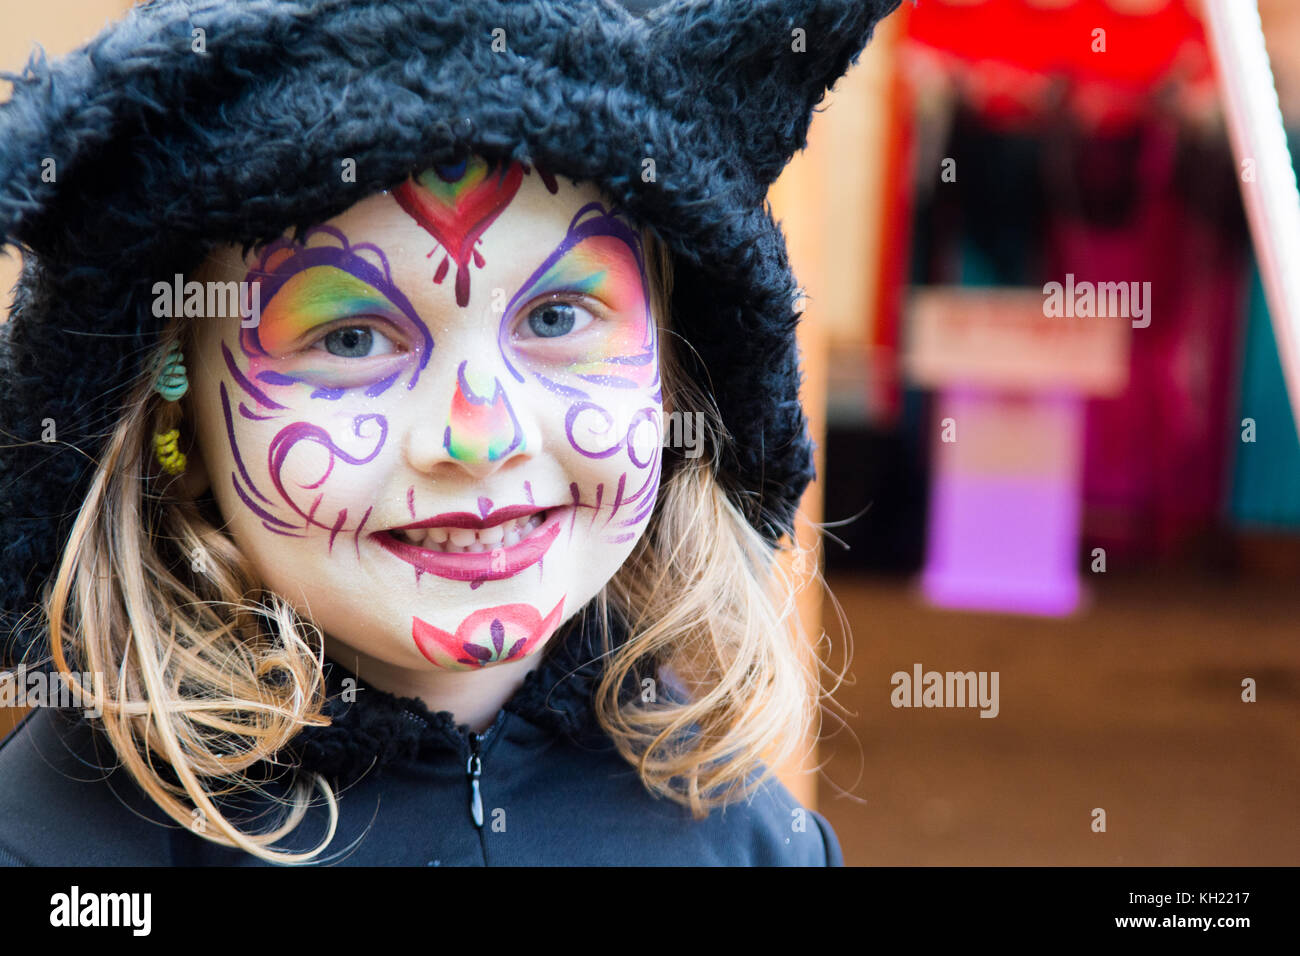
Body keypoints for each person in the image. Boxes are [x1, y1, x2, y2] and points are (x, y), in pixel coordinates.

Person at [0, 0, 899, 865]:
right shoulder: (55, 844)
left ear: (675, 372)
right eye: (350, 338)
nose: (480, 436)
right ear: (177, 415)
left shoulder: (748, 839)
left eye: (556, 318)